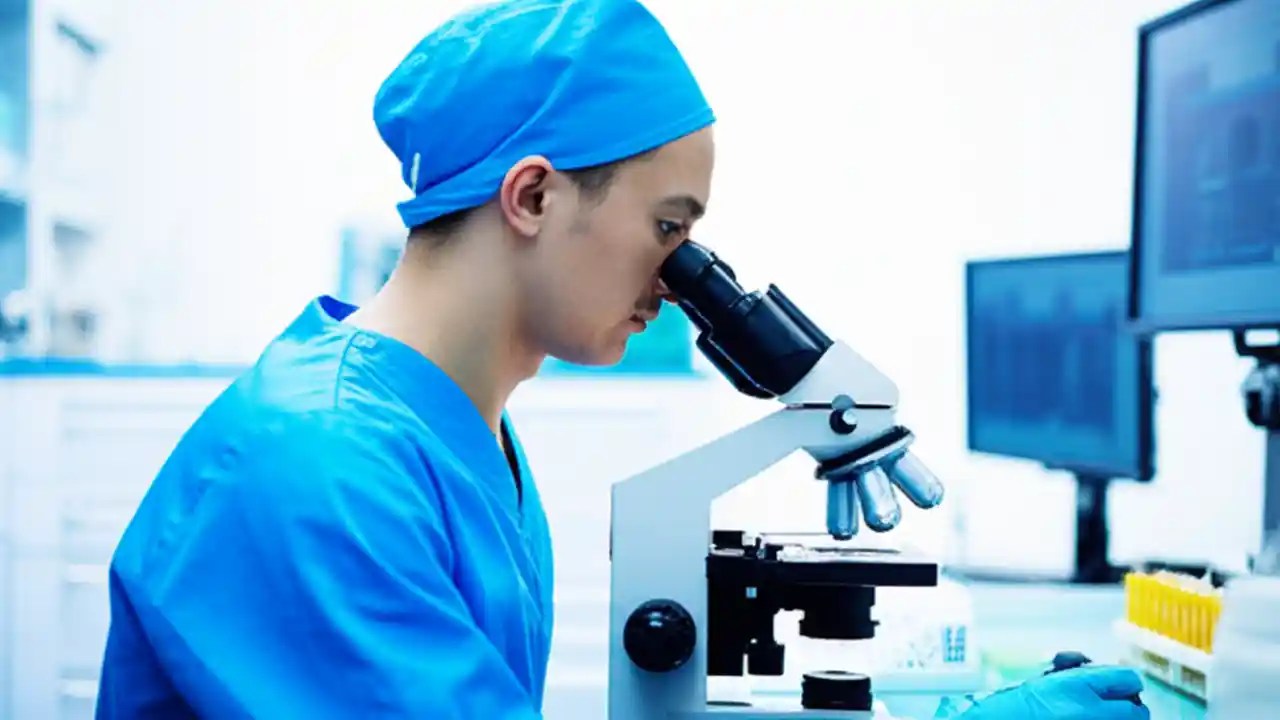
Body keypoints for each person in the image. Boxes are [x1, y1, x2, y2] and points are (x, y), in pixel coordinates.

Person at [93, 0, 1149, 718]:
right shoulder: (318, 470)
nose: (681, 273)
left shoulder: (461, 429)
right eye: (668, 228)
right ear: (534, 196)